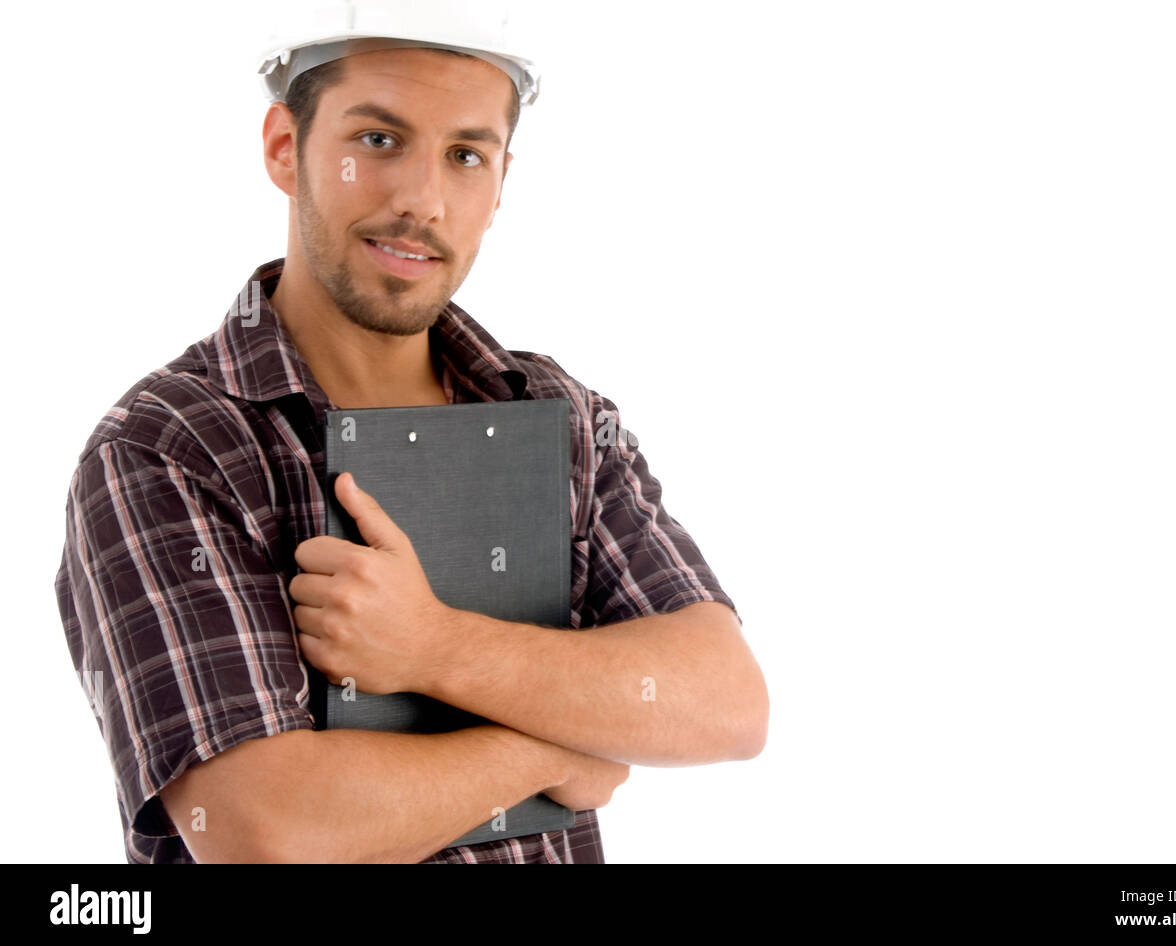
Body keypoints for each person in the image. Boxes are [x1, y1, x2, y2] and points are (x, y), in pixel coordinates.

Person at [53, 2, 767, 864]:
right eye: (380, 140)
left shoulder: (563, 418)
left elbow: (726, 700)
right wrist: (555, 741)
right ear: (285, 146)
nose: (422, 201)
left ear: (500, 185)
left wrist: (434, 647)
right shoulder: (169, 448)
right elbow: (262, 835)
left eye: (466, 155)